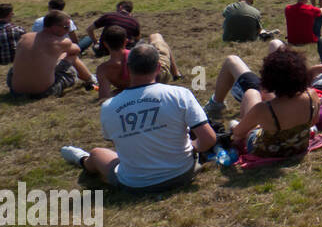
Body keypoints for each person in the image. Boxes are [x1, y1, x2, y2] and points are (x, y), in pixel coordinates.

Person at [60, 44, 216, 193]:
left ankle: (82, 159)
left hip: (135, 184)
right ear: (158, 68)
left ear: (128, 68)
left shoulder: (109, 107)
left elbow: (121, 147)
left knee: (97, 153)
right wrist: (192, 146)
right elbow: (208, 139)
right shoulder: (180, 94)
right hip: (182, 173)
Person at [227, 47, 322, 158]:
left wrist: (238, 129)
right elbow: (314, 121)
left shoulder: (263, 109)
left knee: (251, 93)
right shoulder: (312, 96)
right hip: (298, 146)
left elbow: (238, 133)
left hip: (265, 151)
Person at [7, 10, 95, 98]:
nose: (68, 31)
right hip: (44, 92)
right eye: (66, 27)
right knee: (72, 57)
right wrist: (61, 53)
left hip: (16, 91)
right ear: (54, 27)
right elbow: (77, 50)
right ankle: (91, 80)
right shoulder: (61, 42)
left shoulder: (25, 37)